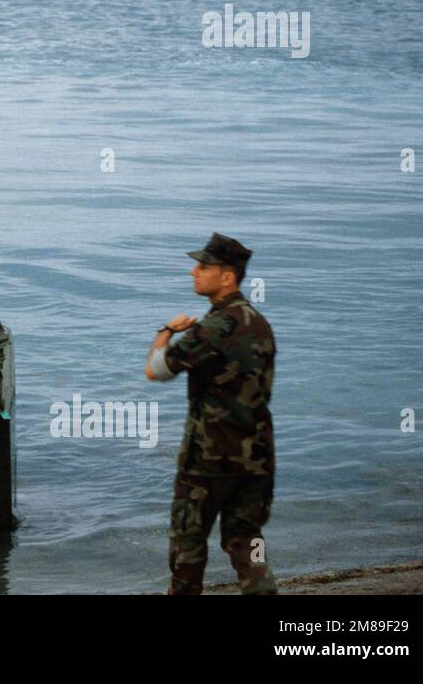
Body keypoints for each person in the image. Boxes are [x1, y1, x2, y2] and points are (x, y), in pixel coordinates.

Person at [145, 233, 278, 595]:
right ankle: (264, 590)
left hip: (208, 459)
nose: (194, 271)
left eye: (204, 266)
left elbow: (156, 370)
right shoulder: (260, 323)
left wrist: (166, 331)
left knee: (188, 546)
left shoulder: (214, 328)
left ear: (227, 277)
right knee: (248, 540)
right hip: (256, 458)